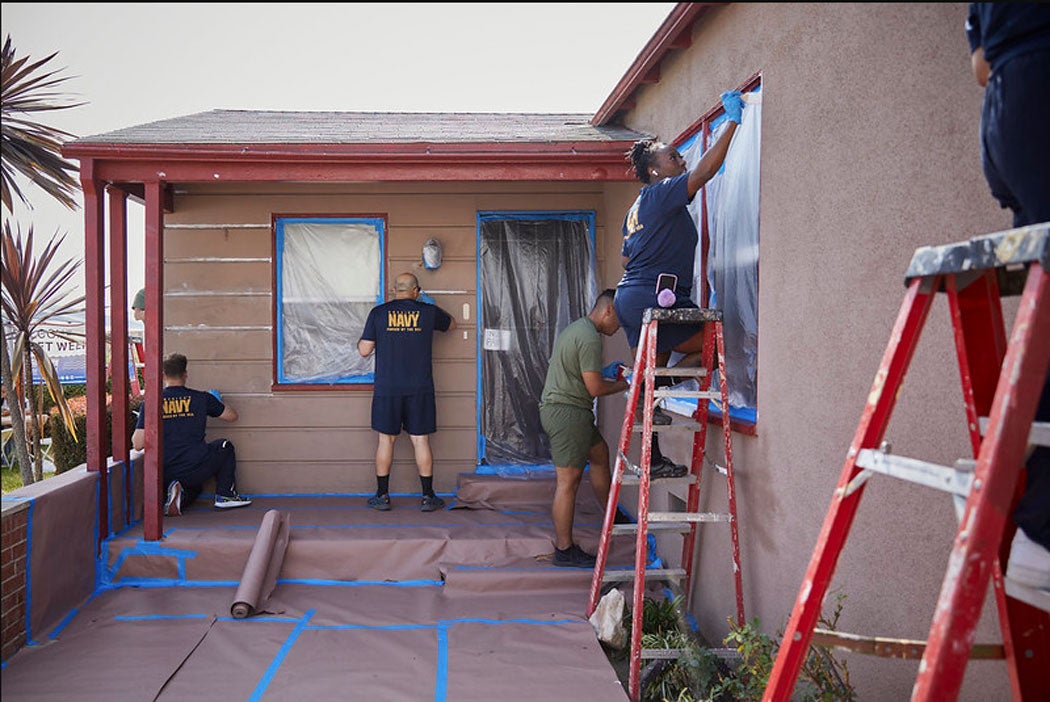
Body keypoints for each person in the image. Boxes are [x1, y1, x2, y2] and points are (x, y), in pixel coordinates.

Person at [614, 89, 746, 476]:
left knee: (652, 369)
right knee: (714, 344)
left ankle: (651, 454)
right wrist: (734, 122)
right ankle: (656, 388)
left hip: (633, 295)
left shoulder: (637, 206)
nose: (681, 158)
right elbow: (704, 174)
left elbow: (625, 256)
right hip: (654, 296)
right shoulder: (660, 193)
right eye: (673, 157)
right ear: (655, 169)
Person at [965, 3, 1050, 590]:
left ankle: (1018, 464)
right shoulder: (662, 196)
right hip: (1039, 86)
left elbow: (979, 65)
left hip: (1007, 112)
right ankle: (1042, 530)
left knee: (1045, 315)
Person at [539, 289, 631, 568]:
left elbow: (581, 376)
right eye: (621, 319)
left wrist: (607, 373)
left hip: (569, 411)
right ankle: (564, 551)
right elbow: (595, 388)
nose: (621, 327)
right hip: (568, 413)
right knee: (569, 482)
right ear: (609, 311)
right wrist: (629, 383)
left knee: (600, 455)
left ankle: (611, 516)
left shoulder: (578, 328)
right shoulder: (590, 338)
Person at [358, 272, 456, 512]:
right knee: (420, 440)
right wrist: (429, 304)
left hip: (388, 388)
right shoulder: (428, 312)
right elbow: (452, 324)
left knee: (385, 440)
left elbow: (364, 350)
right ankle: (428, 496)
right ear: (416, 291)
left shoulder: (378, 314)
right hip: (419, 388)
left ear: (394, 290)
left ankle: (382, 496)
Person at [131, 352, 251, 516]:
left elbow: (137, 444)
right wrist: (216, 402)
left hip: (165, 471)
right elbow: (232, 416)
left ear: (163, 376)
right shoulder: (201, 398)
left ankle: (176, 495)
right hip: (196, 467)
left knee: (195, 489)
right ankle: (226, 495)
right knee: (224, 446)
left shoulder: (151, 403)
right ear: (185, 374)